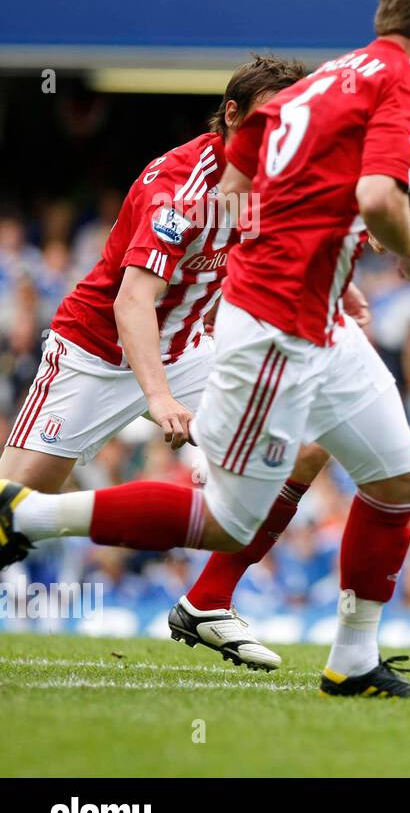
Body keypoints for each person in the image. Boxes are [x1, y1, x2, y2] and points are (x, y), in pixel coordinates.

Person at [1, 0, 410, 700]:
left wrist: (329, 266)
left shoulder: (330, 78)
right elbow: (380, 199)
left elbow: (268, 157)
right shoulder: (401, 89)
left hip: (239, 327)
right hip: (151, 342)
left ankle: (343, 656)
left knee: (396, 477)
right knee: (222, 517)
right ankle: (30, 513)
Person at [0, 54, 343, 672]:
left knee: (315, 435)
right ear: (232, 117)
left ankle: (209, 599)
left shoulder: (278, 180)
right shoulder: (181, 184)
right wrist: (157, 398)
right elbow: (133, 301)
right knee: (10, 508)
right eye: (268, 124)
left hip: (191, 349)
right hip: (96, 352)